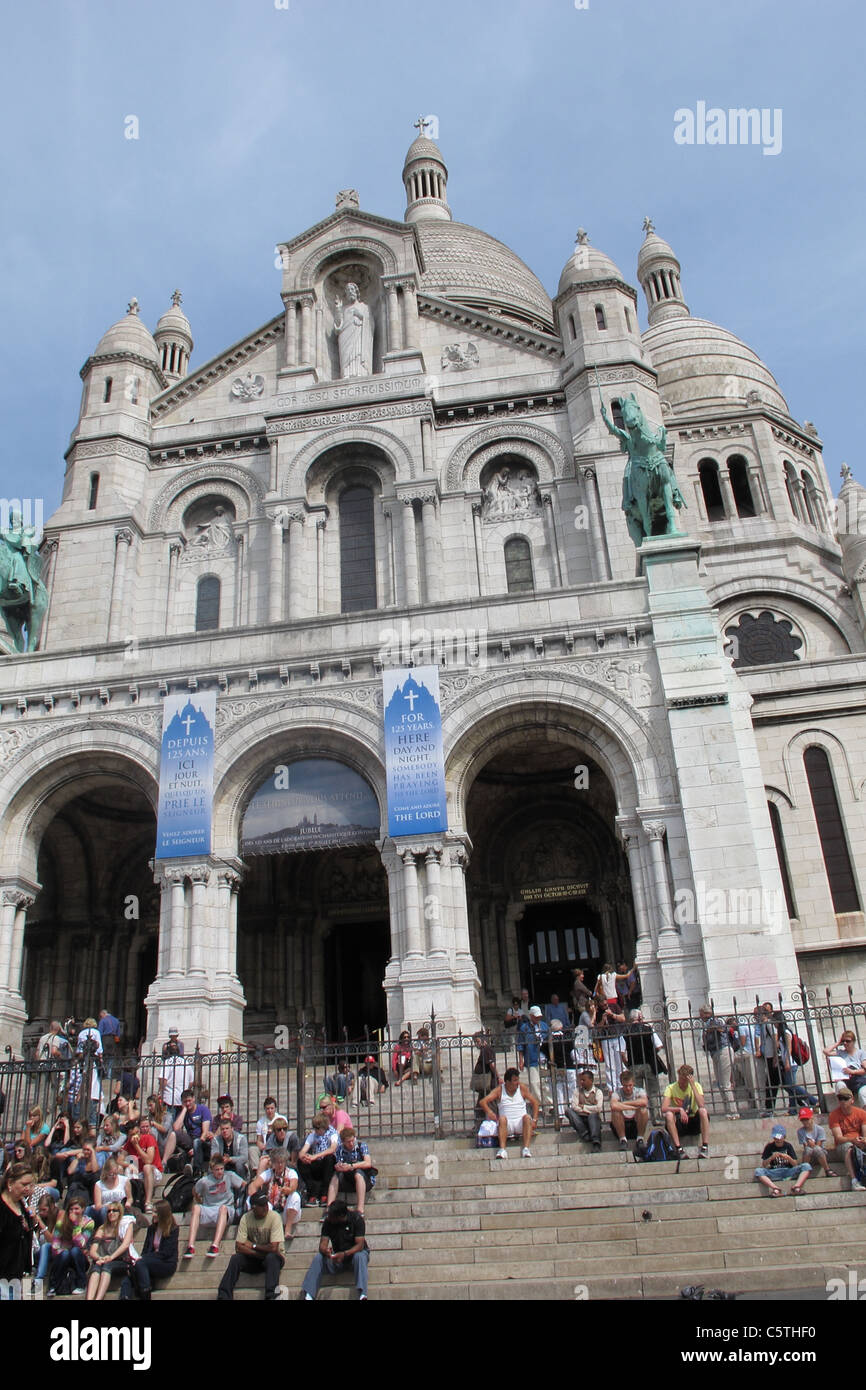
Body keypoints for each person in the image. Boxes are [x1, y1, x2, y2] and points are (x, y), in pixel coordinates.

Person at [217, 1190, 285, 1301]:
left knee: (271, 1258)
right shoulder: (246, 1218)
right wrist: (260, 1253)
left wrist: (252, 1245)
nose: (265, 1207)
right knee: (236, 1258)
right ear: (253, 1207)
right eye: (261, 1205)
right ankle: (224, 1295)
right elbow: (239, 1246)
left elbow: (273, 1248)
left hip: (274, 1258)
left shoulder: (275, 1217)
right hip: (256, 1258)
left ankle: (271, 1296)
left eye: (266, 1204)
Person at [299, 1198, 369, 1301]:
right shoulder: (328, 1223)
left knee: (360, 1256)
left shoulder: (356, 1219)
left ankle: (362, 1294)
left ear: (340, 1216)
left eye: (331, 1216)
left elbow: (360, 1245)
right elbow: (322, 1244)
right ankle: (309, 1295)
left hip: (353, 1256)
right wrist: (326, 1251)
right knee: (319, 1257)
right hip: (337, 1257)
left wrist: (345, 1254)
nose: (329, 1217)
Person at [185, 1155, 245, 1259]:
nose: (220, 1172)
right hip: (210, 1208)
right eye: (217, 1170)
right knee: (196, 1208)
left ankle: (215, 1245)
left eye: (221, 1169)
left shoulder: (229, 1176)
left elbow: (244, 1184)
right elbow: (195, 1191)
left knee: (223, 1208)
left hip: (226, 1210)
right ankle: (190, 1246)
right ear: (212, 1169)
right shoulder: (205, 1181)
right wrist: (200, 1200)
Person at [119, 1200, 178, 1301]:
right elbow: (146, 1249)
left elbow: (166, 1253)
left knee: (140, 1264)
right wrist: (139, 1260)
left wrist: (142, 1259)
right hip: (149, 1262)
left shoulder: (173, 1229)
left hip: (166, 1263)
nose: (153, 1215)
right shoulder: (151, 1229)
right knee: (128, 1277)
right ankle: (125, 1297)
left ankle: (145, 1295)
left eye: (155, 1212)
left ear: (162, 1214)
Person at [480, 1066, 539, 1160]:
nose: (517, 1083)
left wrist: (535, 1120)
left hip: (521, 1123)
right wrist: (489, 1112)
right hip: (507, 1125)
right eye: (515, 1080)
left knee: (527, 1117)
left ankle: (526, 1149)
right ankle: (502, 1150)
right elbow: (483, 1102)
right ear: (507, 1082)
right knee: (502, 1119)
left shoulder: (522, 1088)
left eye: (517, 1080)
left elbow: (535, 1103)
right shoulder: (500, 1090)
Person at [84, 1201, 135, 1300]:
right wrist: (100, 1258)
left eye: (114, 1211)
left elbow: (125, 1245)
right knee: (95, 1269)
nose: (111, 1213)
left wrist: (110, 1258)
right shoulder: (102, 1228)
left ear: (120, 1212)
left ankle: (99, 1298)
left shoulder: (125, 1226)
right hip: (103, 1259)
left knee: (106, 1267)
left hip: (121, 1260)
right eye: (109, 1211)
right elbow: (93, 1250)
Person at [247, 1148, 301, 1240]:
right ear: (273, 1163)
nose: (280, 1165)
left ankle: (287, 1230)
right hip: (272, 1211)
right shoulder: (268, 1173)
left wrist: (288, 1190)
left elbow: (293, 1186)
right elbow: (253, 1185)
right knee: (250, 1199)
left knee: (295, 1196)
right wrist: (256, 1198)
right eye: (277, 1162)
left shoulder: (291, 1173)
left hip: (287, 1211)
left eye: (282, 1162)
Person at [620, 1009, 667, 1110]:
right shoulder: (648, 1029)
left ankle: (640, 1116)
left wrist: (627, 1063)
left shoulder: (625, 1032)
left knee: (636, 1093)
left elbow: (622, 1053)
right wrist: (651, 1053)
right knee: (653, 1092)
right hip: (649, 1063)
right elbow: (659, 1046)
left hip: (634, 1064)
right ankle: (656, 1117)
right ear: (640, 1017)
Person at [662, 1064, 711, 1159]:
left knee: (703, 1111)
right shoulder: (671, 1088)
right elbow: (664, 1108)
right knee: (668, 1115)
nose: (682, 1082)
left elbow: (701, 1104)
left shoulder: (696, 1086)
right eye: (680, 1079)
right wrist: (679, 1109)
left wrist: (692, 1085)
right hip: (680, 1122)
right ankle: (679, 1148)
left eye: (684, 1080)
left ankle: (705, 1146)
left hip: (693, 1121)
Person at [699, 1005, 740, 1118]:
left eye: (701, 1013)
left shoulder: (715, 1021)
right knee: (721, 1084)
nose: (700, 1016)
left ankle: (733, 1111)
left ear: (706, 1013)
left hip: (723, 1051)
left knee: (725, 1084)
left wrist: (710, 1029)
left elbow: (722, 1028)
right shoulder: (706, 1024)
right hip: (715, 1053)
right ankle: (728, 1111)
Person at [47, 1198, 94, 1296]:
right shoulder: (61, 1223)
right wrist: (64, 1252)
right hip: (62, 1258)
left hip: (78, 1258)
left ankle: (81, 1284)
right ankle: (53, 1287)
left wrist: (75, 1225)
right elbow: (55, 1246)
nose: (73, 1211)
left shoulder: (89, 1223)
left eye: (76, 1209)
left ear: (83, 1209)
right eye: (71, 1209)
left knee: (75, 1250)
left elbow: (81, 1243)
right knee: (65, 1253)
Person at [0, 1161, 36, 1285]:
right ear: (10, 1183)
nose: (27, 1188)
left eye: (30, 1184)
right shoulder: (2, 1208)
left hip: (17, 1275)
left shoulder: (21, 1205)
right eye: (24, 1184)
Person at [326, 1126, 375, 1217]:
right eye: (348, 1142)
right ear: (343, 1142)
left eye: (353, 1140)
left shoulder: (361, 1145)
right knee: (336, 1176)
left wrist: (351, 1166)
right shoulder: (339, 1149)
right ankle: (329, 1208)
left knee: (358, 1174)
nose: (351, 1143)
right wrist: (340, 1166)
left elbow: (368, 1163)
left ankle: (360, 1209)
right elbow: (338, 1163)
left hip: (364, 1178)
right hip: (347, 1179)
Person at [753, 1125, 813, 1197]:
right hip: (774, 1172)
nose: (777, 1140)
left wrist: (788, 1158)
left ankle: (796, 1187)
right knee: (758, 1171)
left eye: (779, 1138)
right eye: (776, 1138)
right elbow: (764, 1165)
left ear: (784, 1137)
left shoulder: (788, 1146)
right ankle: (775, 1189)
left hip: (788, 1171)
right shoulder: (769, 1146)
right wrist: (771, 1158)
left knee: (806, 1166)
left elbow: (795, 1164)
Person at [163, 1089, 212, 1173]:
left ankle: (197, 1170)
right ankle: (163, 1163)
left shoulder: (203, 1109)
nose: (188, 1103)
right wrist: (184, 1110)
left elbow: (205, 1132)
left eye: (189, 1100)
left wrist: (195, 1149)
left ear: (194, 1099)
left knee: (197, 1142)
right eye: (185, 1102)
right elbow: (176, 1128)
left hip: (204, 1141)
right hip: (191, 1139)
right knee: (173, 1134)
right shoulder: (185, 1112)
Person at [827, 1088, 866, 1191]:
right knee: (849, 1147)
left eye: (845, 1098)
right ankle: (854, 1181)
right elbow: (839, 1138)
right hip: (843, 1145)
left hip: (859, 1143)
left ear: (852, 1100)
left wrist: (863, 1140)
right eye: (840, 1098)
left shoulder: (861, 1113)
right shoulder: (833, 1115)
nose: (843, 1101)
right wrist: (853, 1140)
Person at [297, 1114, 339, 1204]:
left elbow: (332, 1149)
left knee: (329, 1158)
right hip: (316, 1163)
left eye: (317, 1128)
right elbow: (303, 1150)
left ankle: (324, 1194)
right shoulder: (313, 1136)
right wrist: (304, 1157)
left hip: (327, 1163)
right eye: (314, 1128)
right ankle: (313, 1193)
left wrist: (315, 1156)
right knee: (301, 1163)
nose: (316, 1130)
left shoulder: (333, 1134)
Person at [124, 1120, 163, 1210]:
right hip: (140, 1174)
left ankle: (148, 1202)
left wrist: (136, 1146)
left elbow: (149, 1160)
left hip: (154, 1172)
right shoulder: (128, 1143)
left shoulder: (149, 1138)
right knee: (126, 1167)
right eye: (132, 1135)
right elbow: (119, 1160)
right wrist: (128, 1165)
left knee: (147, 1167)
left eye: (137, 1132)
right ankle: (131, 1200)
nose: (135, 1136)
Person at [564, 1069, 604, 1150]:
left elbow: (598, 1108)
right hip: (581, 1118)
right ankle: (584, 1133)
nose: (581, 1082)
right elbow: (574, 1106)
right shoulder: (577, 1091)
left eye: (584, 1080)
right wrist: (590, 1109)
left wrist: (583, 1107)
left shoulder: (598, 1092)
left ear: (591, 1080)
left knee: (593, 1116)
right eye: (581, 1080)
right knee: (569, 1111)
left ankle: (596, 1141)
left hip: (593, 1118)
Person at [610, 1070, 651, 1148]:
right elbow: (613, 1105)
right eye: (625, 1086)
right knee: (616, 1112)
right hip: (622, 1124)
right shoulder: (617, 1093)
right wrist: (633, 1107)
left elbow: (644, 1102)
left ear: (633, 1083)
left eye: (630, 1085)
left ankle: (640, 1138)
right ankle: (622, 1140)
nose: (628, 1088)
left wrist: (623, 1104)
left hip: (636, 1123)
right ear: (622, 1084)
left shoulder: (639, 1091)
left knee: (643, 1110)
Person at [517, 1006, 549, 1105]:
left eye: (539, 1016)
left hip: (544, 1058)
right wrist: (521, 1060)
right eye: (536, 1017)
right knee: (534, 1083)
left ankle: (549, 1104)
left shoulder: (544, 1026)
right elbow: (520, 1045)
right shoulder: (524, 1028)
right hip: (531, 1058)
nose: (538, 1018)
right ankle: (538, 1104)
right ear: (531, 1016)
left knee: (545, 1084)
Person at [87, 1157, 133, 1227]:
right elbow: (98, 1205)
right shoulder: (99, 1184)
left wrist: (128, 1203)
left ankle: (108, 1230)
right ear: (106, 1173)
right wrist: (108, 1206)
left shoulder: (124, 1181)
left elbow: (130, 1198)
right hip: (105, 1207)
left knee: (108, 1211)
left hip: (119, 1208)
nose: (114, 1176)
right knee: (89, 1210)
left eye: (116, 1173)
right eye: (111, 1174)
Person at [823, 1031, 866, 1103]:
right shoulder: (840, 1053)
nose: (845, 1043)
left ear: (853, 1041)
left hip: (858, 1081)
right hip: (845, 1081)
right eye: (844, 1041)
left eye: (848, 1041)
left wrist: (852, 1071)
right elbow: (826, 1051)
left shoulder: (860, 1053)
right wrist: (838, 1043)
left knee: (863, 1093)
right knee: (839, 1085)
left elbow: (864, 1070)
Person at [212, 1116, 251, 1182]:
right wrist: (222, 1160)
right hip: (222, 1166)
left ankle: (242, 1190)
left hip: (237, 1167)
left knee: (239, 1165)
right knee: (214, 1167)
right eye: (222, 1129)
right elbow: (214, 1157)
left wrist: (230, 1159)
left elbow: (244, 1157)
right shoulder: (216, 1140)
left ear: (232, 1128)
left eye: (227, 1128)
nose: (224, 1131)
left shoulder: (241, 1138)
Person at [797, 1107, 831, 1177]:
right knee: (808, 1150)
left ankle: (827, 1170)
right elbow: (805, 1146)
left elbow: (819, 1145)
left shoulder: (820, 1129)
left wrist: (813, 1144)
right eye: (802, 1120)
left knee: (817, 1149)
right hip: (809, 1154)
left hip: (821, 1154)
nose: (805, 1122)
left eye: (807, 1119)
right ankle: (804, 1171)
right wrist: (809, 1145)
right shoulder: (800, 1131)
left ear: (811, 1118)